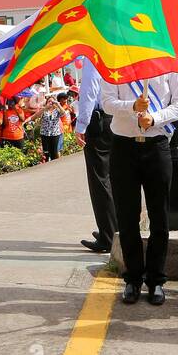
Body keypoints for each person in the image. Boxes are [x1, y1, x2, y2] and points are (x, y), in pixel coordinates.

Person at [103, 66, 178, 307]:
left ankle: (156, 280)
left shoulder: (168, 62)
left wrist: (155, 117)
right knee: (127, 216)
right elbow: (107, 102)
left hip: (157, 146)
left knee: (159, 217)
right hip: (123, 147)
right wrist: (131, 106)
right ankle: (132, 279)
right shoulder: (116, 61)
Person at [75, 57, 117, 254]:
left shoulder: (95, 53)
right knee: (115, 178)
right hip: (119, 119)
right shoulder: (119, 48)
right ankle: (114, 231)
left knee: (99, 179)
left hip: (99, 121)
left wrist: (81, 123)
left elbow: (90, 89)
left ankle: (107, 236)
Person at [38, 96, 63, 161]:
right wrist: (45, 108)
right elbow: (37, 115)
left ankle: (54, 167)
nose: (51, 103)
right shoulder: (43, 110)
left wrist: (58, 104)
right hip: (45, 134)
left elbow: (63, 113)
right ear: (46, 103)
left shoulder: (57, 110)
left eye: (52, 101)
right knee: (46, 153)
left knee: (54, 153)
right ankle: (47, 164)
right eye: (49, 101)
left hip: (55, 134)